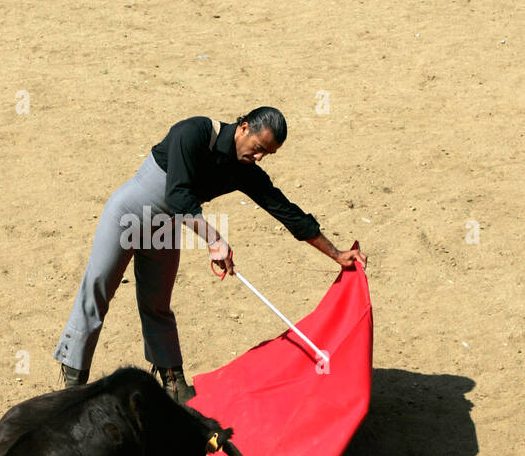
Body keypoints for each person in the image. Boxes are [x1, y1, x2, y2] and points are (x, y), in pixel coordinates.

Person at [53, 107, 366, 402]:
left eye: (265, 155)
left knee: (157, 305)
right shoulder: (195, 132)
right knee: (97, 291)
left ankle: (175, 385)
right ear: (243, 127)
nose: (257, 157)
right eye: (257, 147)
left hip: (165, 228)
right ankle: (72, 391)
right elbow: (178, 196)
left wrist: (336, 254)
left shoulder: (244, 169)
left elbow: (283, 209)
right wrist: (213, 238)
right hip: (128, 216)